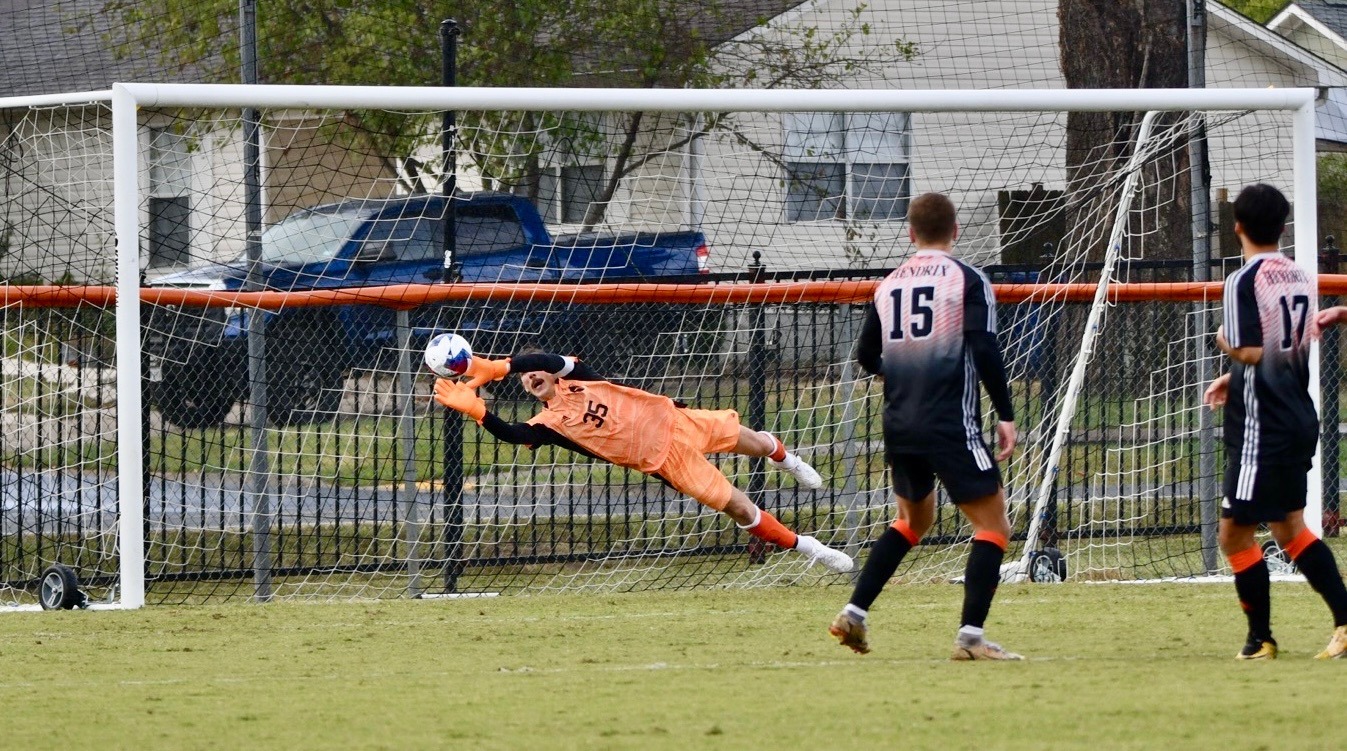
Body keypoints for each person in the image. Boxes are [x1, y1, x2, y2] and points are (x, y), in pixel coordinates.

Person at [431, 349, 855, 573]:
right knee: (741, 508)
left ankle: (789, 461)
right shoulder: (548, 423)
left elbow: (543, 360)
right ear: (527, 391)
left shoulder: (579, 375)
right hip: (666, 461)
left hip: (678, 419)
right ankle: (813, 550)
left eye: (534, 372)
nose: (532, 377)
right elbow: (512, 434)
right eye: (524, 380)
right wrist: (476, 410)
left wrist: (500, 366)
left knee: (760, 445)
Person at [828, 192, 1021, 660]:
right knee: (994, 526)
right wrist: (1006, 413)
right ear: (955, 231)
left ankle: (854, 613)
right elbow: (983, 348)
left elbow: (866, 356)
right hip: (949, 421)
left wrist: (904, 371)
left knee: (913, 521)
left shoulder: (889, 284)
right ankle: (971, 639)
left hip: (900, 422)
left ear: (911, 234)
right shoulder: (967, 279)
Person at [1202, 183, 1347, 660]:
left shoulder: (1243, 281)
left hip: (1261, 430)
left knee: (1234, 534)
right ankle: (1344, 623)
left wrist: (1225, 343)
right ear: (1283, 227)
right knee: (1289, 527)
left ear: (1237, 227)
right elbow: (1283, 349)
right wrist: (1235, 378)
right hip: (1298, 417)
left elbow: (1250, 348)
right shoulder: (1302, 276)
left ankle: (1260, 639)